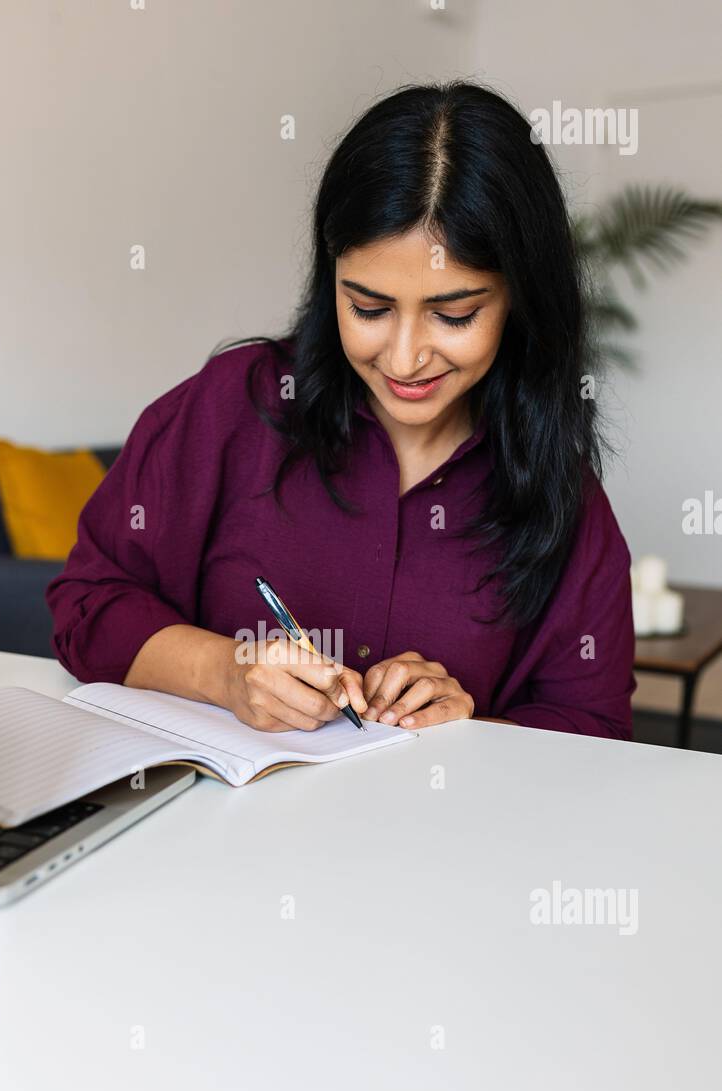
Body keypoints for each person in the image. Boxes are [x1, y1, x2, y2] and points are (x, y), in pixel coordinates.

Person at [47, 81, 636, 738]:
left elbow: (593, 731)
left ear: (520, 300)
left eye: (454, 314)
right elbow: (88, 606)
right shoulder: (232, 410)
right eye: (369, 308)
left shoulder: (564, 496)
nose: (406, 358)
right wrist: (228, 673)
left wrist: (472, 722)